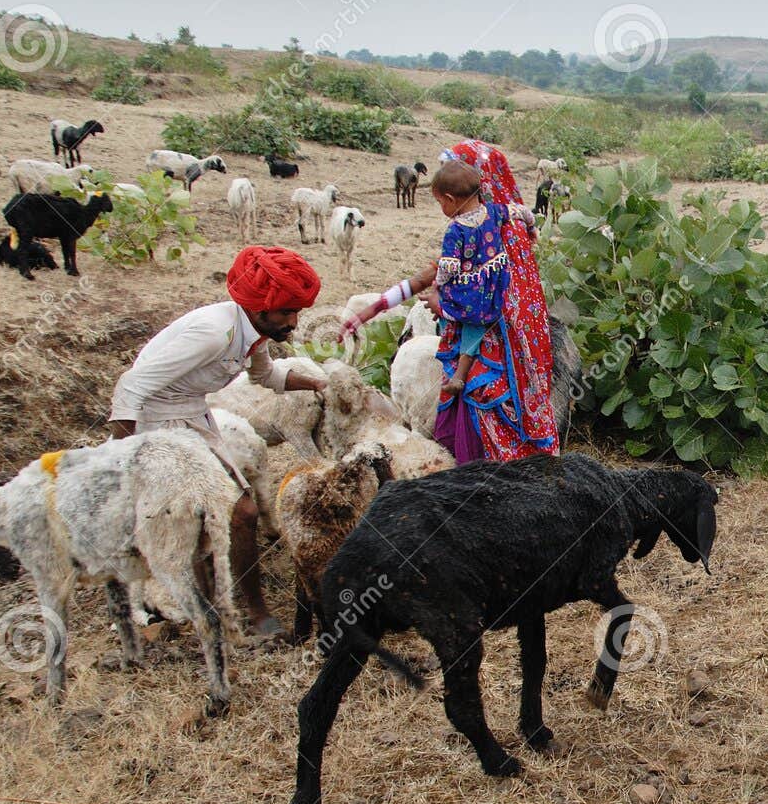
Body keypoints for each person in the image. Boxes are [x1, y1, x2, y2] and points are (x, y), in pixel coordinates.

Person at [108, 245, 327, 638]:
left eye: (297, 311)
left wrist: (317, 383)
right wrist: (122, 456)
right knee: (206, 518)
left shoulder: (255, 333)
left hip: (193, 415)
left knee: (241, 513)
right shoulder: (214, 333)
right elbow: (132, 386)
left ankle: (251, 611)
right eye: (286, 312)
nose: (293, 321)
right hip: (156, 422)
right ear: (260, 307)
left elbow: (268, 377)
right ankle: (212, 609)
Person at [346, 139, 557, 461]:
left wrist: (443, 305)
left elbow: (498, 307)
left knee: (487, 454)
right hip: (474, 366)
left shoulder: (504, 239)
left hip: (494, 377)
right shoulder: (490, 226)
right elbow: (424, 278)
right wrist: (368, 312)